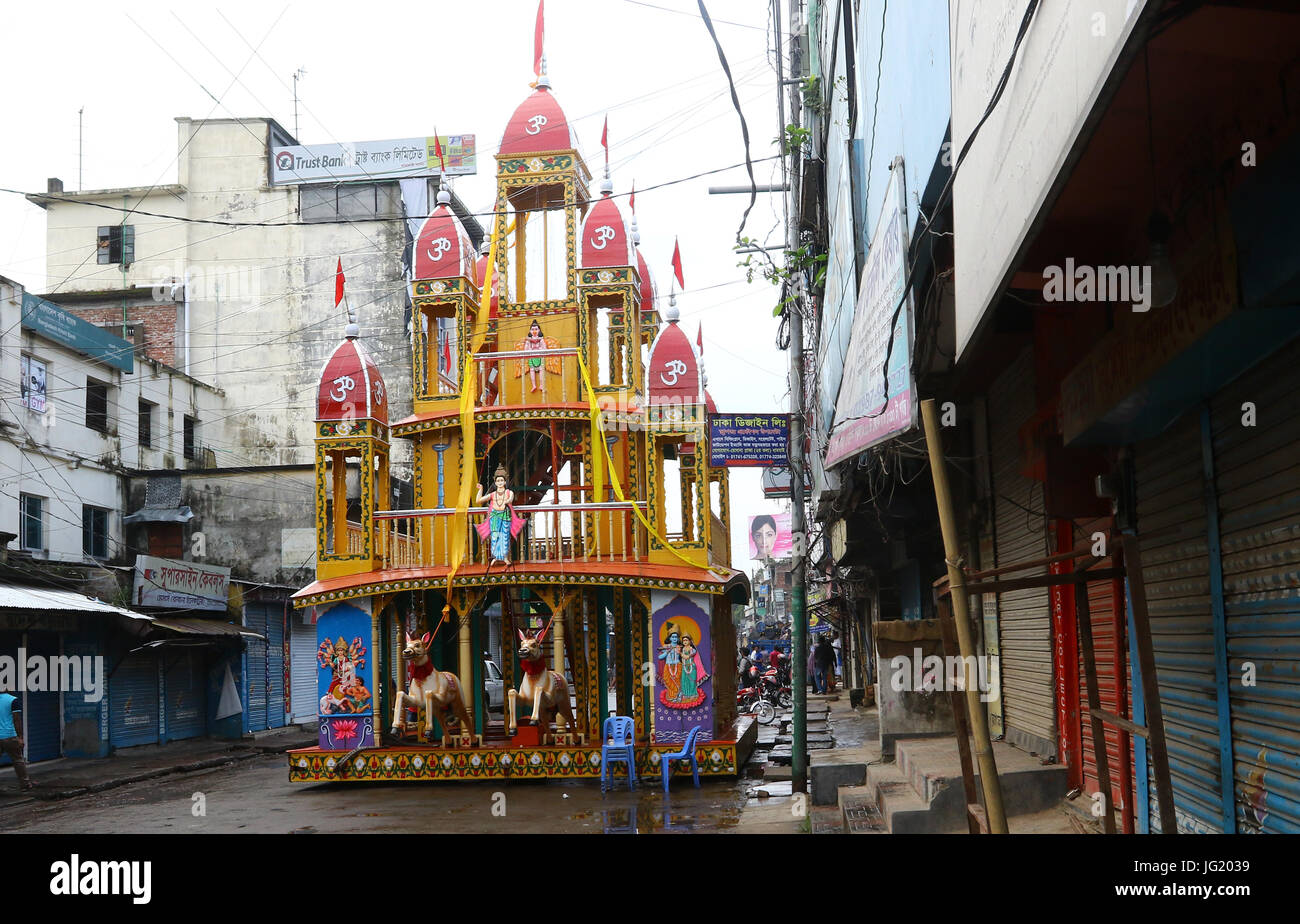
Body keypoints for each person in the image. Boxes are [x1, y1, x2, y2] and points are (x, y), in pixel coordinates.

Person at [474, 464, 517, 568]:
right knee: (495, 537)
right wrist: (481, 489)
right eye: (498, 481)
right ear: (495, 482)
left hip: (505, 517)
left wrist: (507, 501)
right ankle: (495, 557)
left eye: (502, 480)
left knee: (504, 537)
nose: (500, 482)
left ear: (505, 481)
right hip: (494, 517)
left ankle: (505, 557)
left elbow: (510, 499)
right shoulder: (493, 494)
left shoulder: (509, 492)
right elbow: (478, 501)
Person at [0, 685, 33, 791]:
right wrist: (20, 737)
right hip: (9, 736)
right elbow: (16, 720)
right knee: (18, 760)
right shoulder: (13, 700)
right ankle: (25, 784)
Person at [523, 319, 546, 394]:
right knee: (531, 370)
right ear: (530, 331)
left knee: (541, 370)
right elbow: (525, 350)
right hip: (532, 357)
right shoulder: (528, 340)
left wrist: (540, 348)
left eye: (536, 329)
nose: (534, 331)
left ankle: (541, 385)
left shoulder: (541, 340)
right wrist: (529, 348)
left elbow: (545, 348)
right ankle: (534, 385)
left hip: (539, 357)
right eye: (532, 329)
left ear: (539, 330)